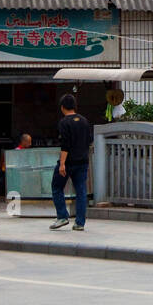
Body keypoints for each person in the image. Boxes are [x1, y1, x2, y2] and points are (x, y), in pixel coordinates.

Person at [50, 95, 91, 231]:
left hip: (68, 162)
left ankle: (62, 216)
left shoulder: (64, 122)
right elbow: (89, 140)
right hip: (83, 161)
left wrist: (62, 164)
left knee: (56, 187)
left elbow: (65, 145)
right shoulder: (84, 121)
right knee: (81, 191)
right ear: (75, 106)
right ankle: (80, 223)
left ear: (62, 107)